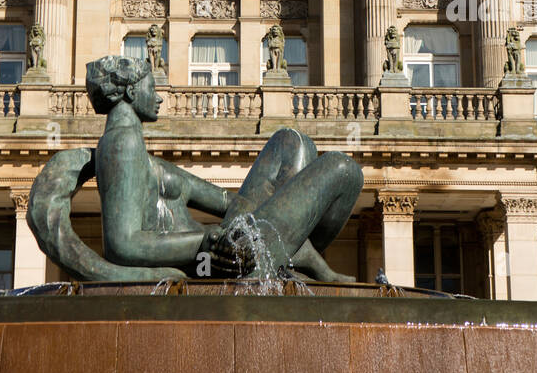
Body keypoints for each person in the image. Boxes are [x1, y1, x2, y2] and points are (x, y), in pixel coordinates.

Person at [86, 55, 361, 281]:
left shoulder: (137, 149)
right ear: (132, 92)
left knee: (292, 142)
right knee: (343, 168)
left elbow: (226, 201)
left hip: (230, 243)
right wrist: (206, 242)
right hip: (225, 259)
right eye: (153, 88)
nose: (159, 98)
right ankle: (291, 257)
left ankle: (289, 253)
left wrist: (283, 200)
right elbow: (122, 245)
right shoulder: (121, 142)